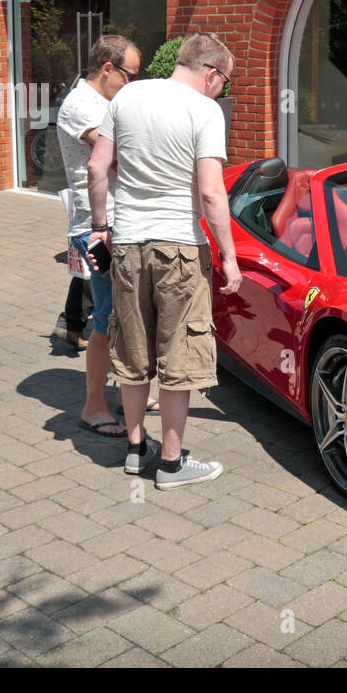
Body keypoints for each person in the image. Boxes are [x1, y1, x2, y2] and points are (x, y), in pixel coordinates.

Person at [87, 32, 243, 489]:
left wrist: (101, 226)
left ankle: (136, 452)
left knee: (132, 351)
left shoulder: (129, 96)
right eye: (226, 82)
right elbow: (212, 193)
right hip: (179, 245)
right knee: (180, 353)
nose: (223, 90)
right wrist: (229, 258)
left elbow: (97, 168)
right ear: (212, 74)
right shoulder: (205, 110)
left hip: (129, 243)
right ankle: (172, 464)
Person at [57, 35, 142, 435]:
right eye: (130, 75)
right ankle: (93, 407)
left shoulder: (108, 101)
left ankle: (129, 393)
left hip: (118, 222)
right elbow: (113, 156)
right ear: (107, 67)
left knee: (125, 316)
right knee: (106, 317)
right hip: (96, 228)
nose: (133, 84)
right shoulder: (80, 105)